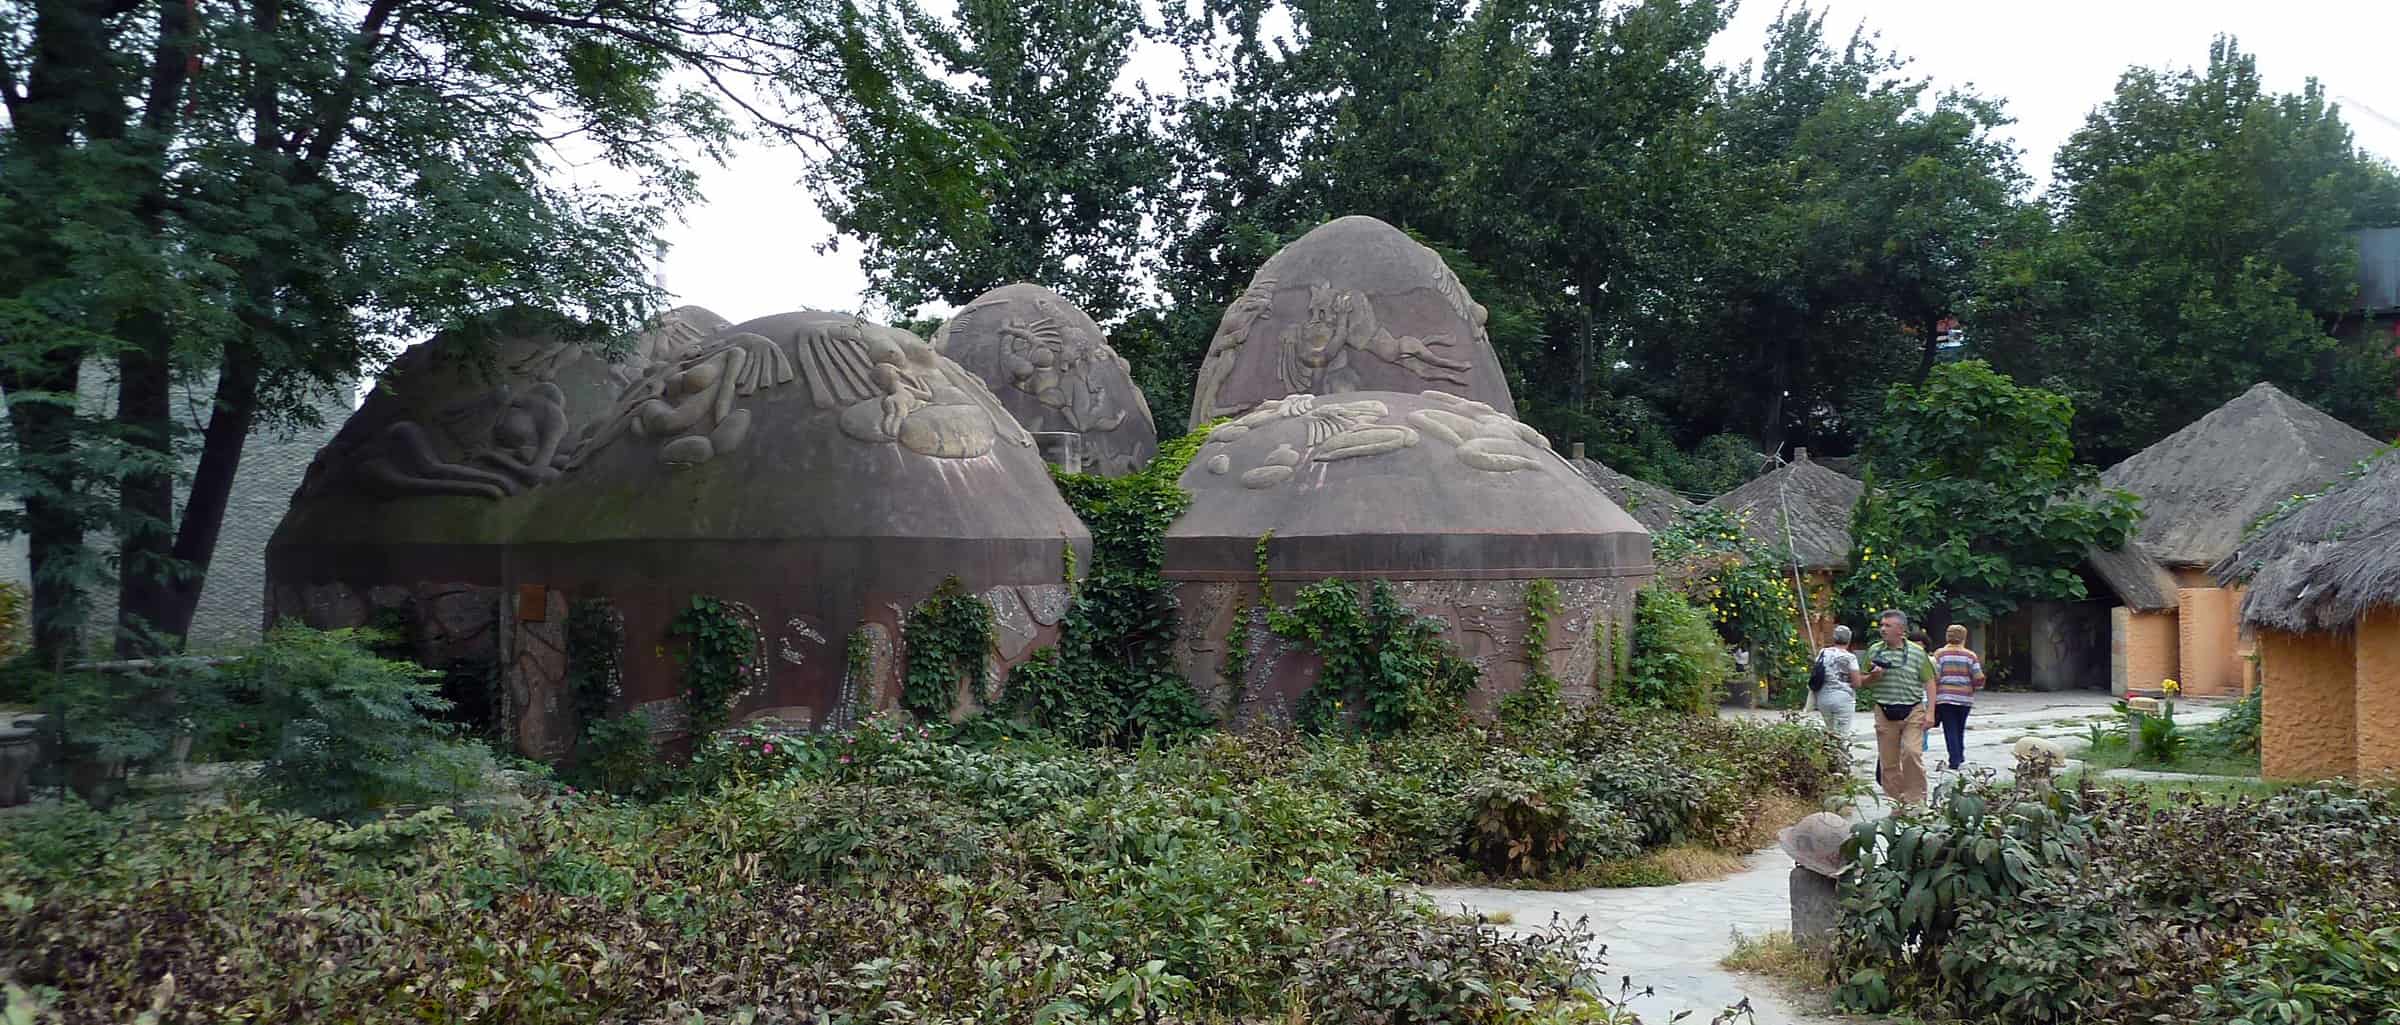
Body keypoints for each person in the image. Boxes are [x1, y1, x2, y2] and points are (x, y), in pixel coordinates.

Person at [1861, 609, 1935, 806]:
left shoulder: (1918, 653)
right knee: (1889, 762)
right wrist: (1873, 677)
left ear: (1901, 630)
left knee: (1911, 753)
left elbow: (1929, 682)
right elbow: (1860, 681)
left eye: (1888, 625)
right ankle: (1897, 804)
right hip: (1884, 711)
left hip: (1913, 709)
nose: (1882, 629)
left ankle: (1916, 802)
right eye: (1882, 625)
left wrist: (1930, 713)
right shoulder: (1874, 651)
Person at [1931, 624, 1987, 771]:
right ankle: (1959, 756)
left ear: (1947, 636)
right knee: (1959, 728)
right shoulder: (1970, 655)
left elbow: (1934, 676)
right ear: (1964, 637)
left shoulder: (1939, 654)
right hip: (1964, 698)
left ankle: (1954, 759)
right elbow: (1979, 677)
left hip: (1945, 697)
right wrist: (1975, 687)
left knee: (1950, 729)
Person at [1815, 626, 1860, 740]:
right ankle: (1839, 757)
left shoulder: (1823, 652)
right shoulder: (1850, 658)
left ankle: (1829, 756)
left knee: (1830, 733)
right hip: (1843, 699)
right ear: (1849, 640)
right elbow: (1856, 683)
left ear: (1834, 638)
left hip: (1823, 698)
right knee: (1840, 736)